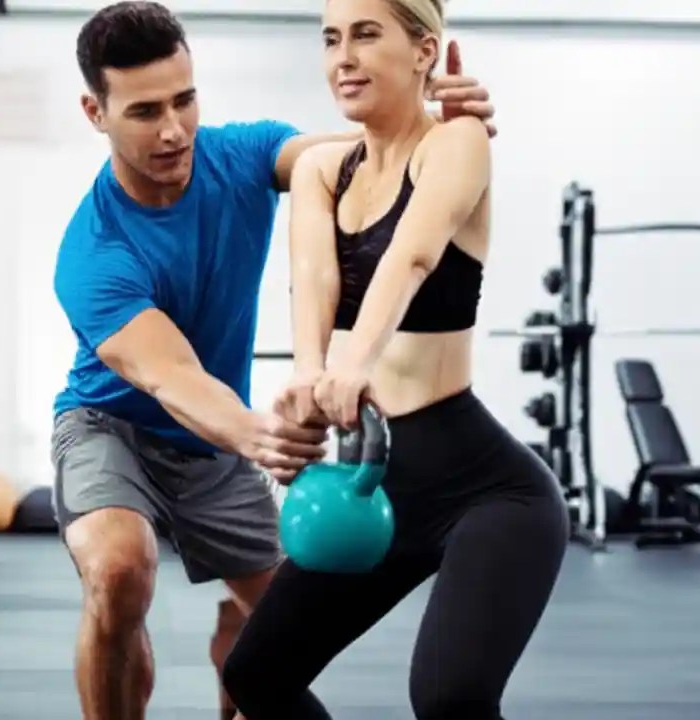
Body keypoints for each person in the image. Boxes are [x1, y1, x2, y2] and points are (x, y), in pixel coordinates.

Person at [50, 2, 498, 718]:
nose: (173, 130)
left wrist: (438, 126)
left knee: (277, 633)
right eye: (144, 112)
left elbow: (364, 153)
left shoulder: (242, 155)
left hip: (219, 443)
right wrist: (261, 434)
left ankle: (233, 645)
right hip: (115, 428)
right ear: (94, 112)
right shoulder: (93, 252)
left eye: (184, 100)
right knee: (120, 568)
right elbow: (171, 376)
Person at [219, 0, 570, 718]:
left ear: (424, 51)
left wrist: (355, 364)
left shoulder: (457, 142)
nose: (342, 57)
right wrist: (310, 379)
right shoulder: (321, 168)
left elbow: (412, 256)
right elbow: (313, 280)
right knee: (257, 675)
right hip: (379, 481)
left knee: (449, 699)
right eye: (331, 39)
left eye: (366, 34)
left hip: (488, 491)